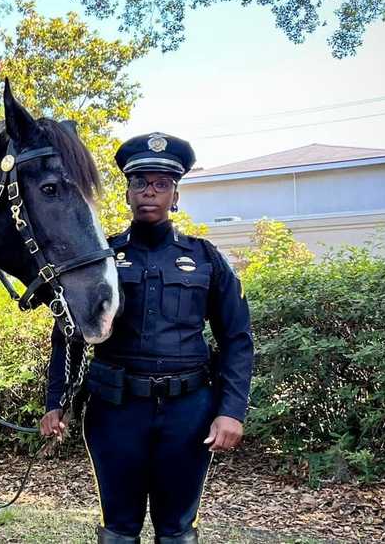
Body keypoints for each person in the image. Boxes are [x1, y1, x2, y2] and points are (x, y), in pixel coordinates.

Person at [41, 133, 254, 544]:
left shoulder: (206, 258)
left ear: (175, 195)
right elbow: (68, 336)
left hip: (188, 413)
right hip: (115, 411)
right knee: (119, 528)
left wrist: (232, 410)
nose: (149, 193)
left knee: (177, 530)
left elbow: (237, 339)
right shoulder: (101, 259)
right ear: (127, 193)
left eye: (160, 184)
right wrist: (57, 403)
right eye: (140, 183)